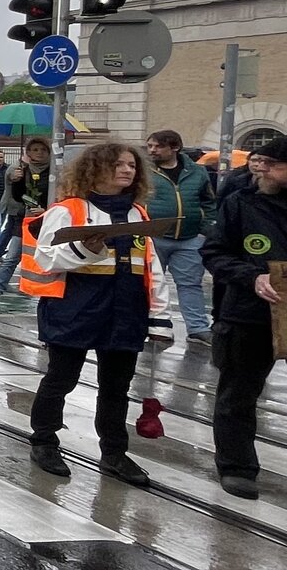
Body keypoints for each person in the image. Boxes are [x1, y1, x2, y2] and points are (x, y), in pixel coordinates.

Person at [20, 140, 172, 485]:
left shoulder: (137, 213)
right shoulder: (68, 209)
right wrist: (84, 249)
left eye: (131, 166)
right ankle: (44, 441)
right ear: (95, 168)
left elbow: (151, 267)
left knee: (117, 387)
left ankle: (115, 453)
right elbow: (44, 259)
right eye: (118, 164)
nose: (126, 170)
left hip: (126, 310)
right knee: (61, 379)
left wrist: (160, 317)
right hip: (76, 307)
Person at [201, 130, 286, 500]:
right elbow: (215, 253)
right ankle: (237, 466)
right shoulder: (240, 203)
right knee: (239, 392)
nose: (263, 170)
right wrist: (251, 277)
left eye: (274, 165)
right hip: (250, 312)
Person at [143, 129, 217, 349]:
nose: (152, 150)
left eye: (157, 146)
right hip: (153, 236)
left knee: (190, 284)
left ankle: (197, 329)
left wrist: (204, 230)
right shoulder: (144, 172)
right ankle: (149, 326)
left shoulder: (197, 172)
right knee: (149, 284)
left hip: (189, 238)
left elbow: (209, 202)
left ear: (174, 148)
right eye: (150, 146)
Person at [0, 135, 54, 302]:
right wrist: (17, 181)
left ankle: (49, 294)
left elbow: (61, 196)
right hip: (26, 221)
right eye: (35, 150)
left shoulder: (54, 172)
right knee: (12, 257)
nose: (39, 153)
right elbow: (18, 196)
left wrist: (46, 209)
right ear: (28, 152)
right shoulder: (23, 170)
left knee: (49, 259)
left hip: (49, 221)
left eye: (43, 150)